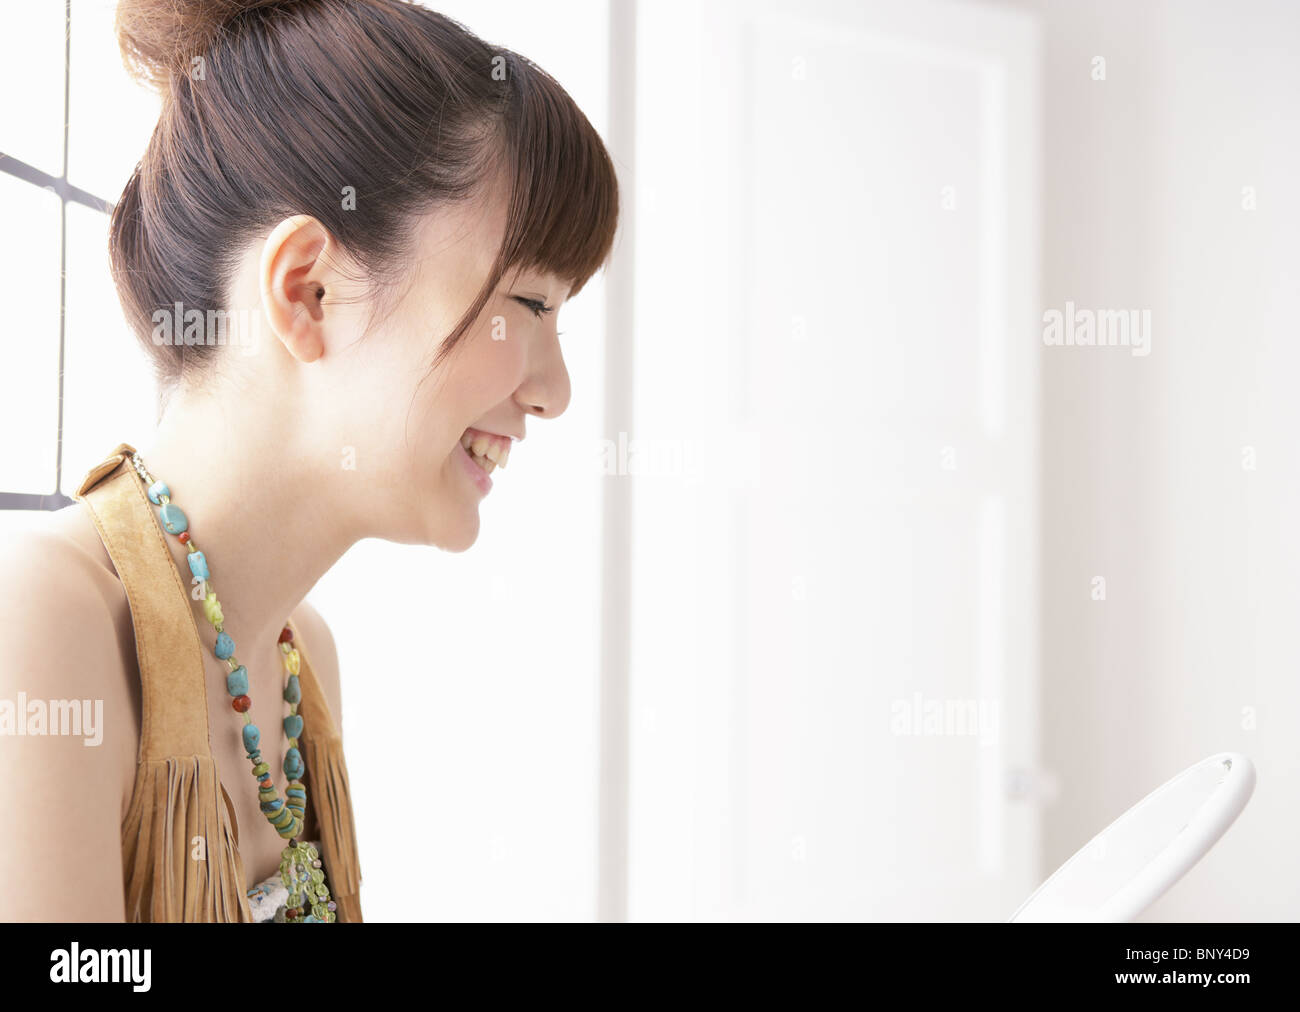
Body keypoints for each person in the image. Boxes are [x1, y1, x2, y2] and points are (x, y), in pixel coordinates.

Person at [0, 0, 619, 922]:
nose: (554, 390)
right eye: (527, 304)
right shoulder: (43, 616)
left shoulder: (301, 664)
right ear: (308, 290)